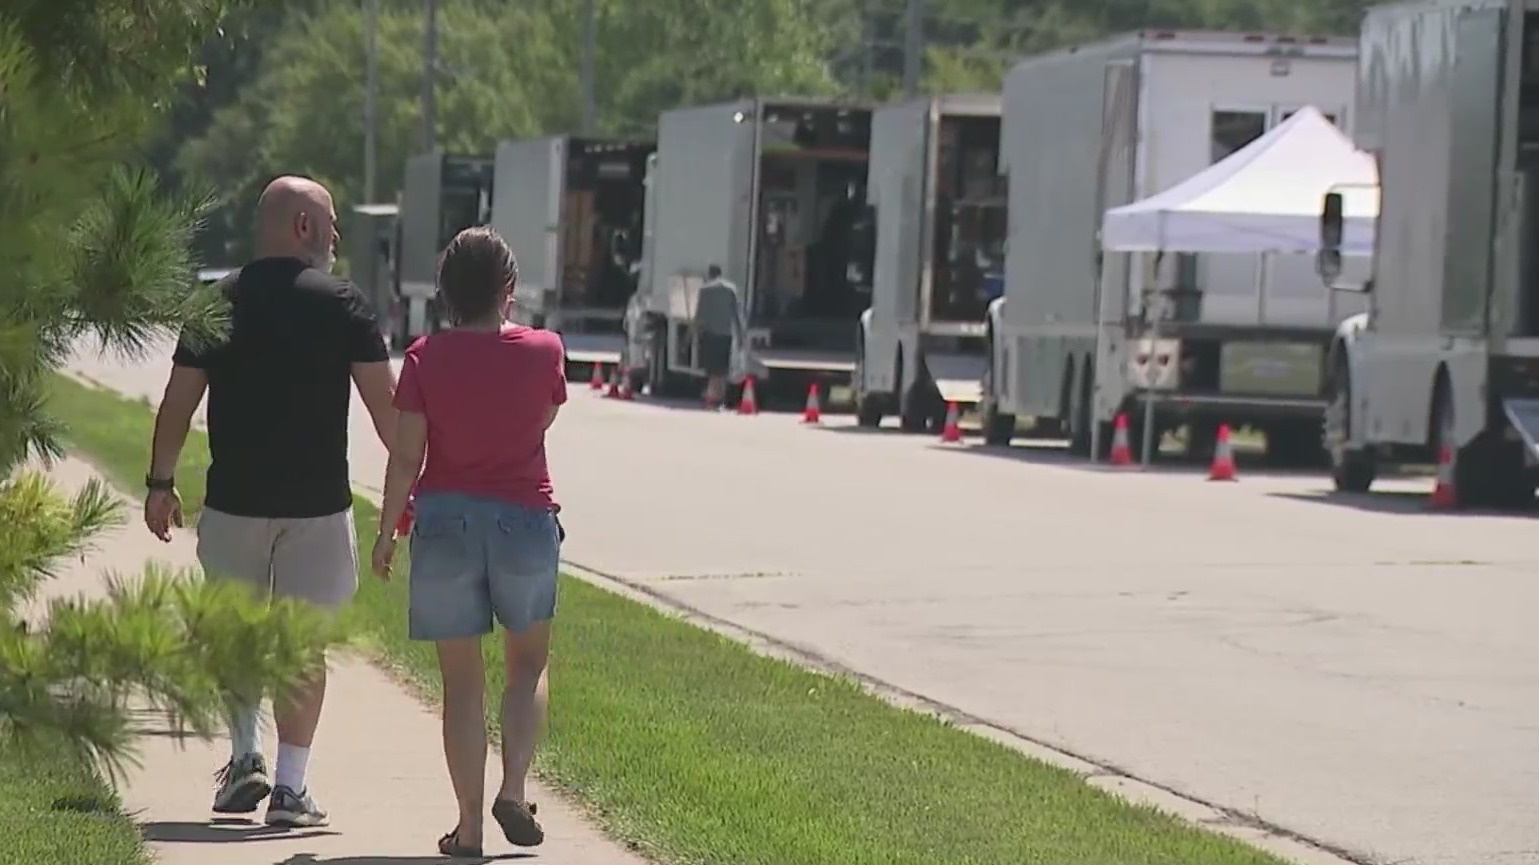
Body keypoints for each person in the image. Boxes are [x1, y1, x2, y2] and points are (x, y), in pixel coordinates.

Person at [144, 175, 398, 828]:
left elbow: (178, 400)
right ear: (304, 227)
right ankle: (290, 787)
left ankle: (245, 755)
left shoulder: (218, 301)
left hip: (233, 505)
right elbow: (388, 413)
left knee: (237, 637)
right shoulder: (345, 304)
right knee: (303, 646)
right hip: (317, 508)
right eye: (332, 222)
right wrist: (413, 486)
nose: (338, 236)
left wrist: (160, 482)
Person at [371, 225, 565, 858]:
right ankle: (513, 786)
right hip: (523, 520)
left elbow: (406, 456)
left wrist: (386, 532)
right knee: (527, 664)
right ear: (509, 289)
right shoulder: (545, 350)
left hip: (445, 522)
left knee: (461, 685)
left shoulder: (426, 357)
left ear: (445, 292)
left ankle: (470, 828)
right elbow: (543, 418)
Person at [694, 263, 745, 408]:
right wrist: (740, 336)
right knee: (723, 369)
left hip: (710, 334)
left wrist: (693, 334)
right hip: (726, 334)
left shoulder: (705, 290)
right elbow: (736, 314)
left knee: (712, 369)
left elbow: (699, 315)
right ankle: (720, 398)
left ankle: (712, 397)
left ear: (710, 274)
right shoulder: (731, 289)